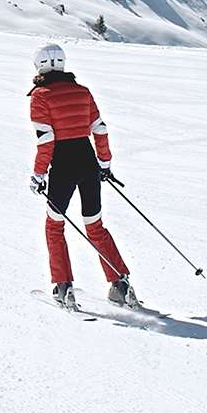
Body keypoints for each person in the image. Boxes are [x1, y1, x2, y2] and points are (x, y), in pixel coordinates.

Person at [28, 44, 138, 308]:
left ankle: (63, 287)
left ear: (40, 66)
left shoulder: (40, 96)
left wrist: (38, 174)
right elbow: (99, 129)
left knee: (54, 225)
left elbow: (46, 141)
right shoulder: (82, 92)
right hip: (88, 165)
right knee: (94, 225)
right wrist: (105, 163)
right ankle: (120, 285)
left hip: (62, 168)